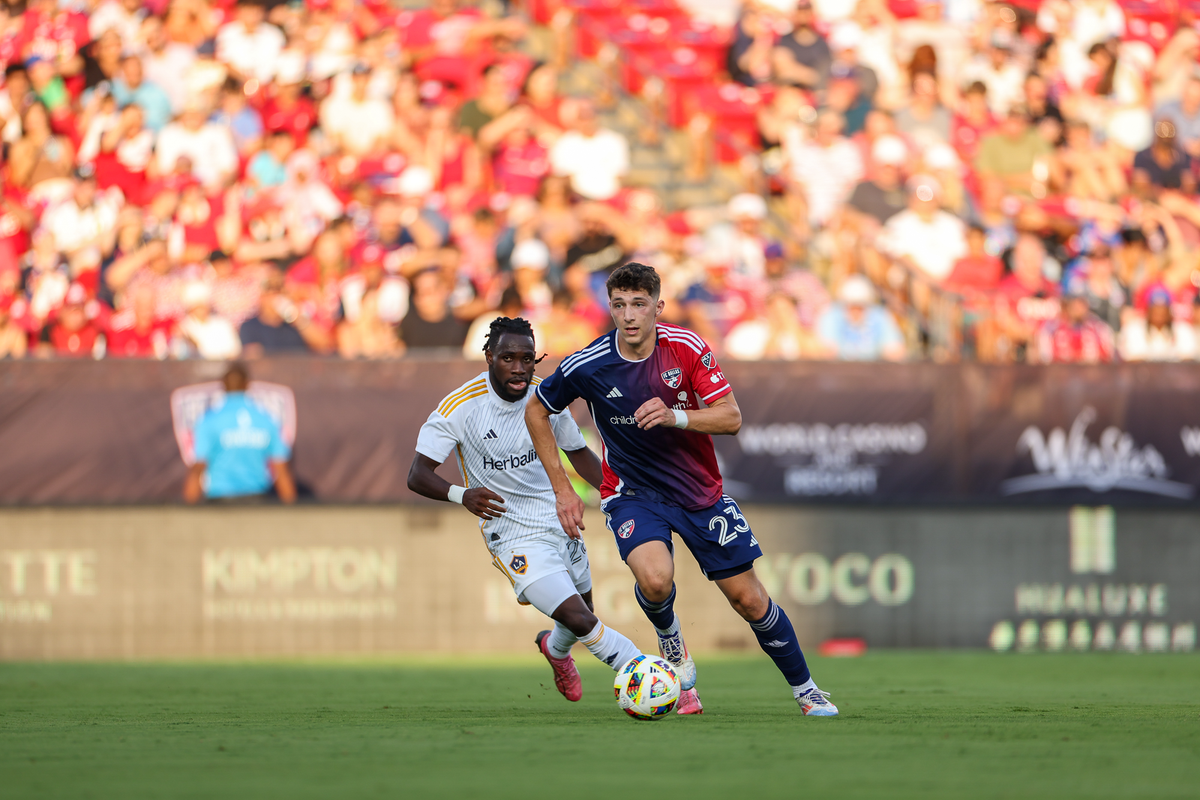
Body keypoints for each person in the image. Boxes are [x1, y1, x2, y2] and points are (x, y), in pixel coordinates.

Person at [525, 262, 838, 717]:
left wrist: (677, 415)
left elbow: (731, 417)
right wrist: (562, 489)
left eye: (639, 304)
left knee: (749, 600)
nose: (629, 315)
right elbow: (537, 410)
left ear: (658, 306)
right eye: (619, 305)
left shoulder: (686, 347)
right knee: (655, 579)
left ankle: (807, 690)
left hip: (699, 493)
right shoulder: (588, 363)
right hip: (632, 493)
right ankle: (671, 641)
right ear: (609, 308)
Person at [408, 317, 644, 703]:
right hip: (512, 534)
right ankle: (645, 671)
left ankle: (555, 650)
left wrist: (619, 492)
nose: (519, 368)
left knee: (580, 612)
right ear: (489, 357)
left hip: (560, 520)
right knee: (583, 619)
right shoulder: (459, 407)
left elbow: (578, 453)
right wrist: (460, 495)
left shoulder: (547, 397)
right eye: (508, 358)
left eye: (527, 359)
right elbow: (417, 473)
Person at [183, 363, 296, 504]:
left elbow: (198, 469)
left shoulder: (209, 421)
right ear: (247, 385)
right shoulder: (266, 420)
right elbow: (281, 470)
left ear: (223, 386)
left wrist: (187, 510)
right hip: (256, 501)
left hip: (219, 501)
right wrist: (292, 512)